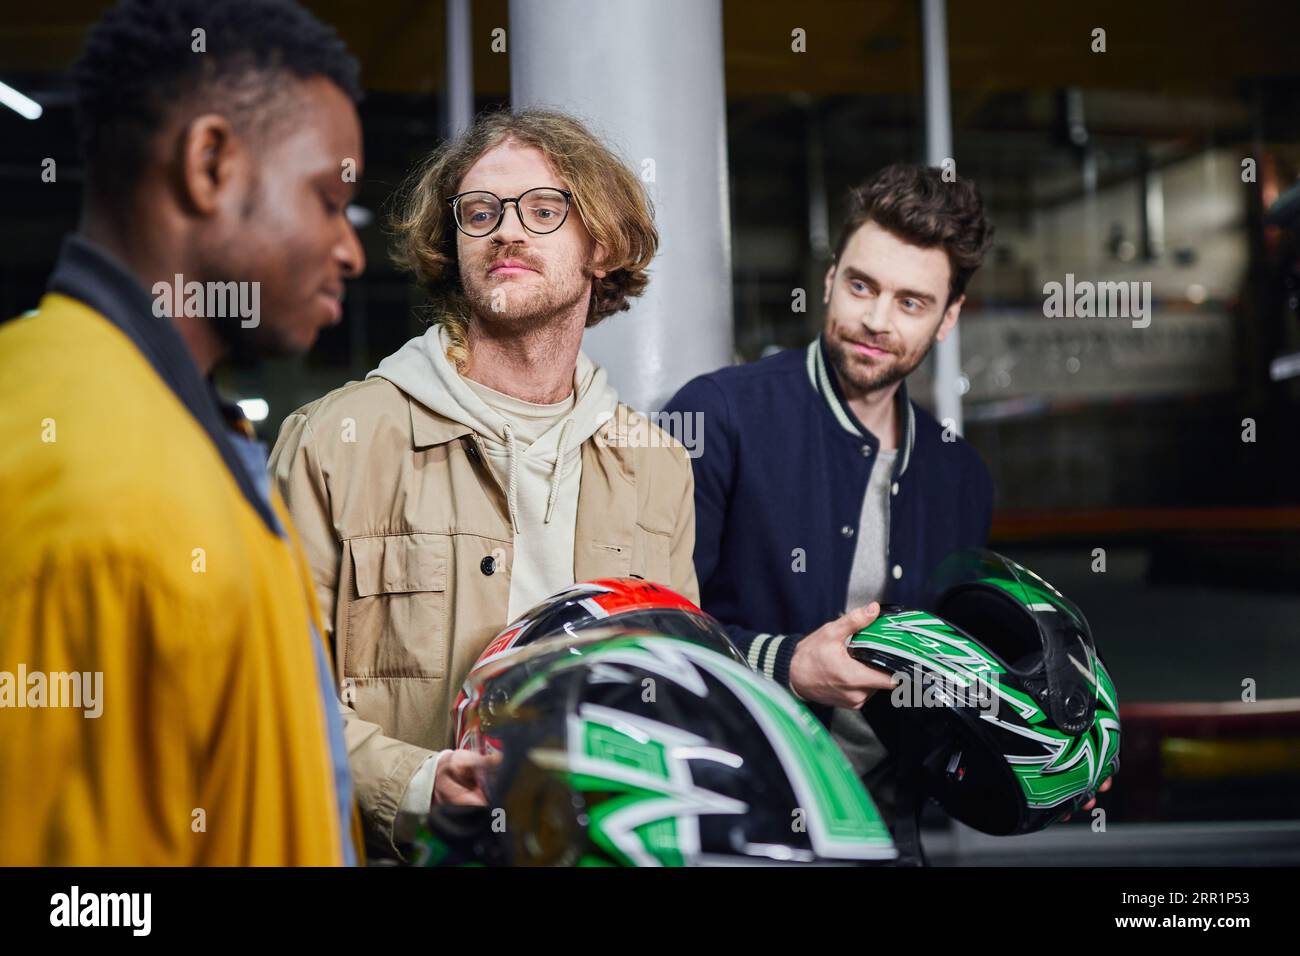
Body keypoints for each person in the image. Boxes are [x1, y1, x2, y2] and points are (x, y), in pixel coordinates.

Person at [269, 108, 698, 858]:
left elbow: (679, 683)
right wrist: (412, 783)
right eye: (479, 212)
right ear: (453, 244)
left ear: (600, 245)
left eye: (543, 209)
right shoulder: (337, 443)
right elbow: (268, 690)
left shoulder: (656, 466)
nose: (507, 231)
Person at [0, 0, 366, 865]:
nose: (350, 251)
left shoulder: (193, 435)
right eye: (327, 199)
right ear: (209, 165)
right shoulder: (104, 498)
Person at [665, 163, 996, 819]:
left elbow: (954, 677)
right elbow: (643, 629)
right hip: (737, 817)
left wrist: (1044, 758)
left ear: (949, 317)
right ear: (829, 279)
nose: (875, 320)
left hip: (889, 823)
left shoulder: (963, 478)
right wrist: (785, 664)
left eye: (911, 302)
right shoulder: (715, 414)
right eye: (861, 286)